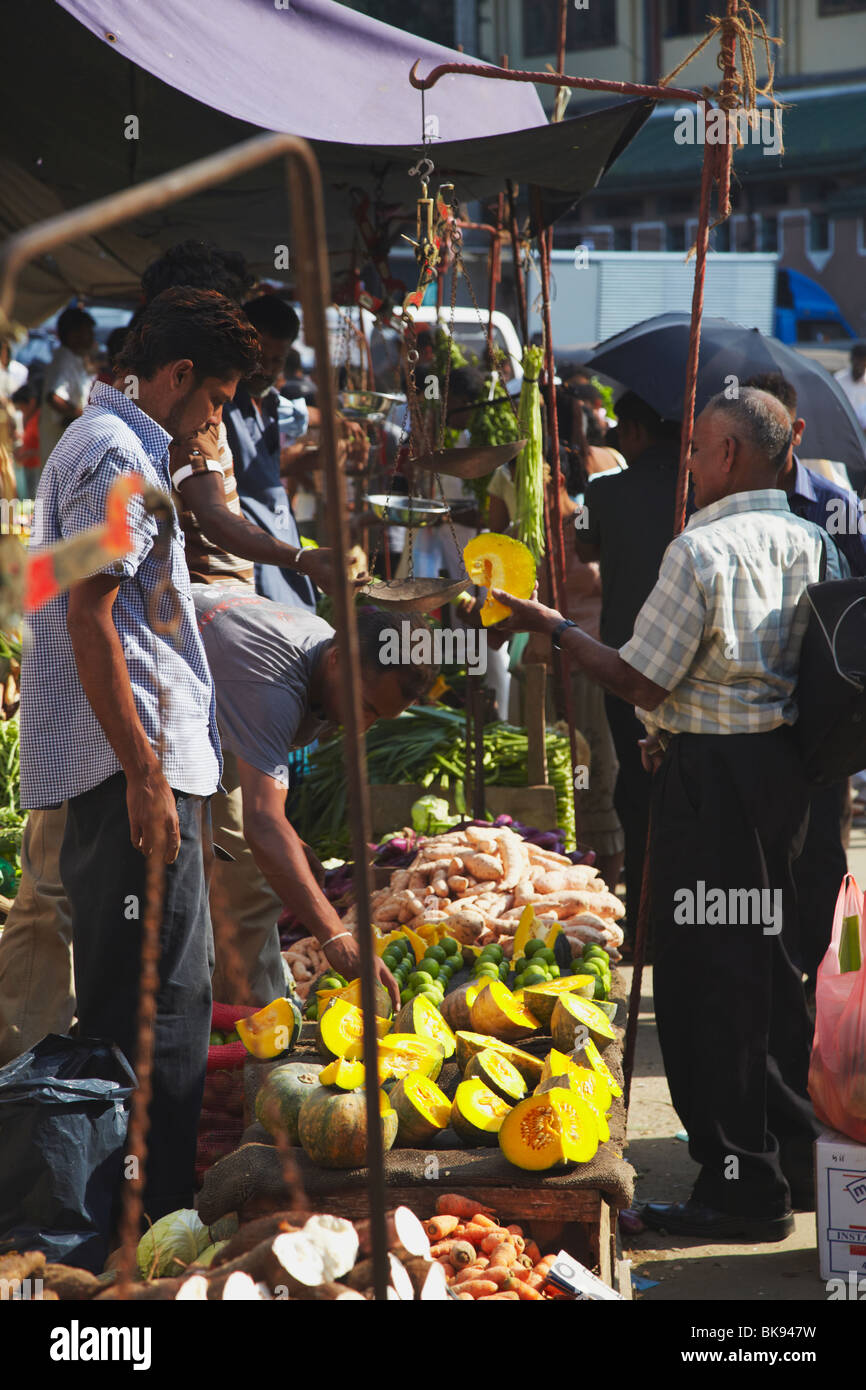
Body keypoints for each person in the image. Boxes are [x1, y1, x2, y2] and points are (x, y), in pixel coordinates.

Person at [493, 387, 845, 1239]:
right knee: (774, 971)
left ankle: (738, 1189)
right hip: (790, 785)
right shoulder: (814, 539)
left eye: (696, 451)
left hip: (716, 789)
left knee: (709, 982)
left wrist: (554, 629)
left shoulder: (702, 547)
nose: (685, 465)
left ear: (728, 457)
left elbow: (641, 677)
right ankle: (793, 1161)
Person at [18, 287, 260, 1223]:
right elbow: (89, 619)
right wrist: (149, 776)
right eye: (214, 400)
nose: (216, 422)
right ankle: (151, 1218)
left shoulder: (98, 440)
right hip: (132, 769)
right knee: (157, 1012)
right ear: (178, 375)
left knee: (147, 1001)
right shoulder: (118, 456)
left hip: (129, 763)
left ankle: (136, 1213)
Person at [200, 593, 437, 1005]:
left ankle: (252, 1018)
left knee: (252, 869)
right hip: (103, 684)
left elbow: (264, 818)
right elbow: (261, 821)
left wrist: (288, 840)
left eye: (379, 717)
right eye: (365, 707)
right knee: (61, 886)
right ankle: (61, 1044)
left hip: (211, 708)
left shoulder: (328, 657)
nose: (363, 726)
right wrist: (336, 936)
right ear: (338, 660)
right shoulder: (271, 687)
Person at [744, 371, 866, 983]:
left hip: (823, 721)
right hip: (757, 718)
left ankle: (830, 988)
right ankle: (774, 982)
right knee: (763, 862)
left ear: (793, 431)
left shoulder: (837, 509)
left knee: (823, 856)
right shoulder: (721, 504)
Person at [576, 392, 682, 937]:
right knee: (682, 791)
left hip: (626, 664)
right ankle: (673, 913)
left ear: (636, 432)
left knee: (635, 790)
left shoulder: (602, 491)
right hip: (689, 670)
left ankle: (642, 912)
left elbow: (582, 549)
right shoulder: (699, 489)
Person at [222, 295, 318, 610]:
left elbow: (267, 472)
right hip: (251, 567)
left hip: (285, 556)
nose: (266, 370)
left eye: (277, 361)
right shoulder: (219, 404)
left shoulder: (271, 403)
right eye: (259, 356)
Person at [38, 306, 95, 468]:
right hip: (59, 452)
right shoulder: (64, 359)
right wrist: (86, 418)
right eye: (88, 331)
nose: (92, 337)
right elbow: (54, 397)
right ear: (73, 335)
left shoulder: (74, 359)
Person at [835, 342, 866, 430]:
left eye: (863, 362)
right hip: (843, 428)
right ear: (852, 360)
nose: (860, 366)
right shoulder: (838, 380)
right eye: (858, 362)